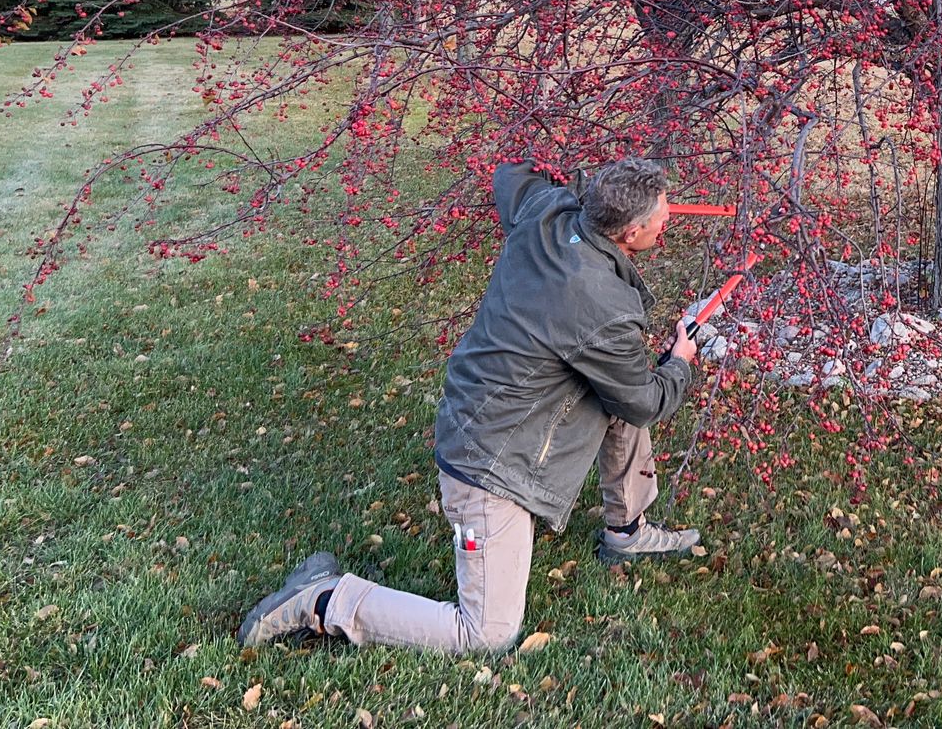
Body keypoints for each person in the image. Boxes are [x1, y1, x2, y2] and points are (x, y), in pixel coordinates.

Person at [237, 156, 704, 654]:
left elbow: (511, 175)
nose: (667, 222)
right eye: (662, 219)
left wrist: (563, 179)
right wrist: (679, 360)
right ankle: (325, 599)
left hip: (483, 406)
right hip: (489, 461)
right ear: (630, 234)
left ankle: (626, 530)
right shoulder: (601, 307)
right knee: (486, 633)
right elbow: (645, 402)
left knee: (612, 390)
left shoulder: (549, 209)